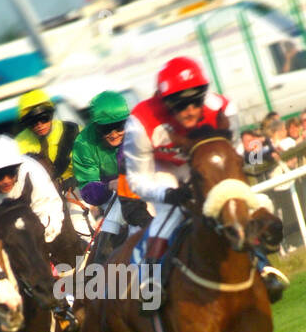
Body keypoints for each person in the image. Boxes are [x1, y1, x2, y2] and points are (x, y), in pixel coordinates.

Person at [123, 55, 287, 303]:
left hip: (204, 165)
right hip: (164, 170)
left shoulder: (223, 108)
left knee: (237, 207)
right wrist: (168, 195)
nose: (189, 110)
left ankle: (263, 269)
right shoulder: (140, 122)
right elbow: (138, 180)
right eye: (179, 105)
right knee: (170, 217)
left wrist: (251, 164)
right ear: (166, 102)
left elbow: (231, 156)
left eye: (194, 102)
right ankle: (152, 284)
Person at [0, 135, 79, 332]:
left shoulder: (33, 170)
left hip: (29, 226)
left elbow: (50, 208)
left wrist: (33, 241)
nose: (6, 180)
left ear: (18, 168)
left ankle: (66, 303)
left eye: (11, 173)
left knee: (64, 242)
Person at [71, 90, 142, 249]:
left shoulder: (138, 129)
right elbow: (88, 191)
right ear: (96, 127)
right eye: (106, 129)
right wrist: (109, 186)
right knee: (114, 219)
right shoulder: (83, 144)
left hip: (144, 185)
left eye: (118, 126)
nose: (114, 134)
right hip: (111, 198)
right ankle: (102, 263)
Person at [15, 90, 79, 188]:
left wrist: (76, 180)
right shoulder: (17, 144)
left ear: (51, 115)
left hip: (77, 189)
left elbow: (94, 163)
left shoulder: (73, 131)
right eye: (32, 122)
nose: (39, 125)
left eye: (44, 118)